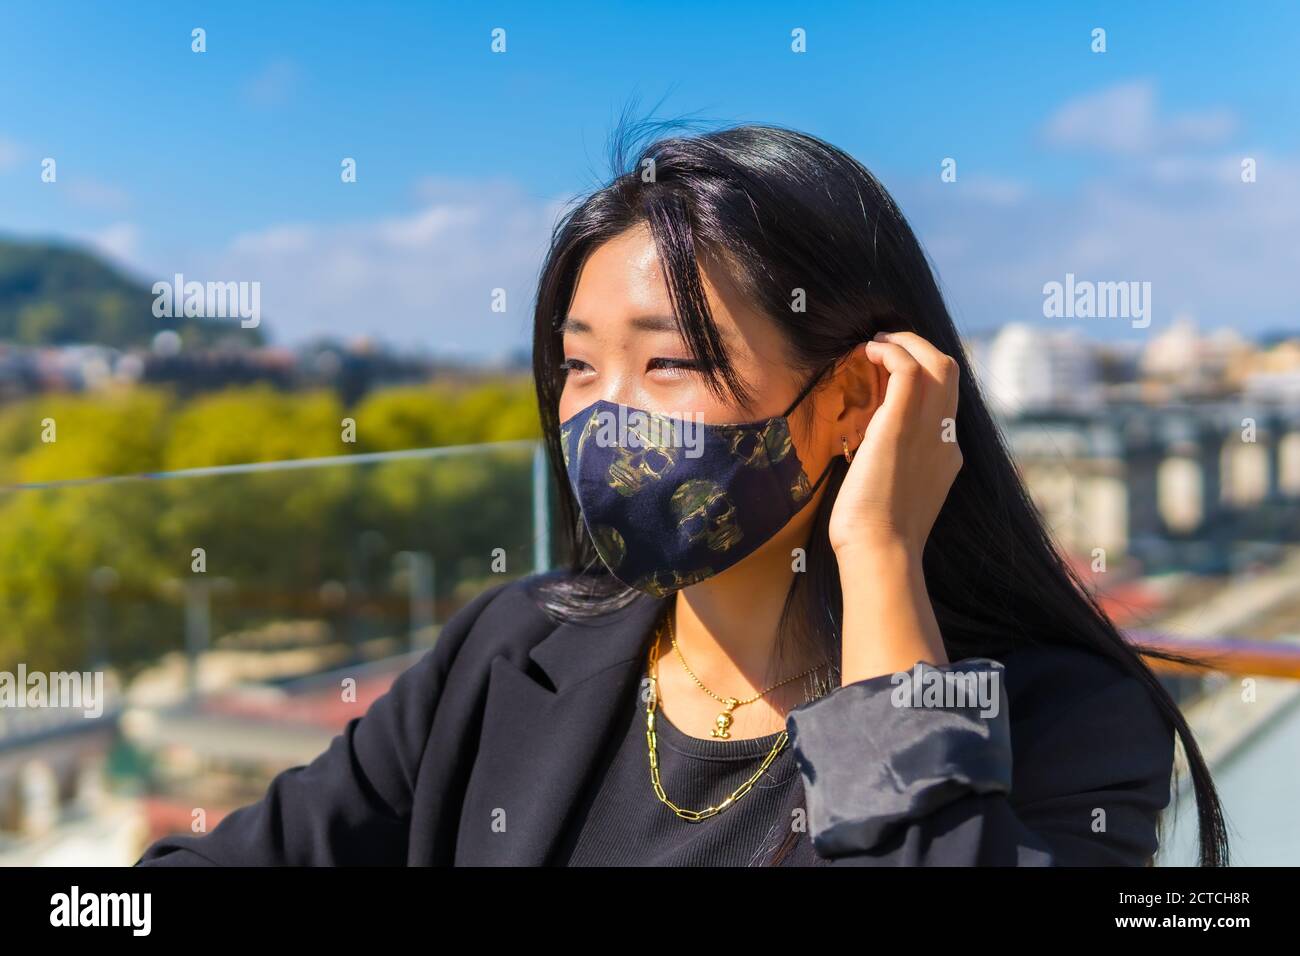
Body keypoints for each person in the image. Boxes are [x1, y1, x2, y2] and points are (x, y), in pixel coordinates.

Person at [135, 120, 1228, 867]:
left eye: (669, 364)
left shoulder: (1062, 721)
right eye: (575, 365)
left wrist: (882, 554)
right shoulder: (514, 649)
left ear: (856, 397)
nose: (603, 416)